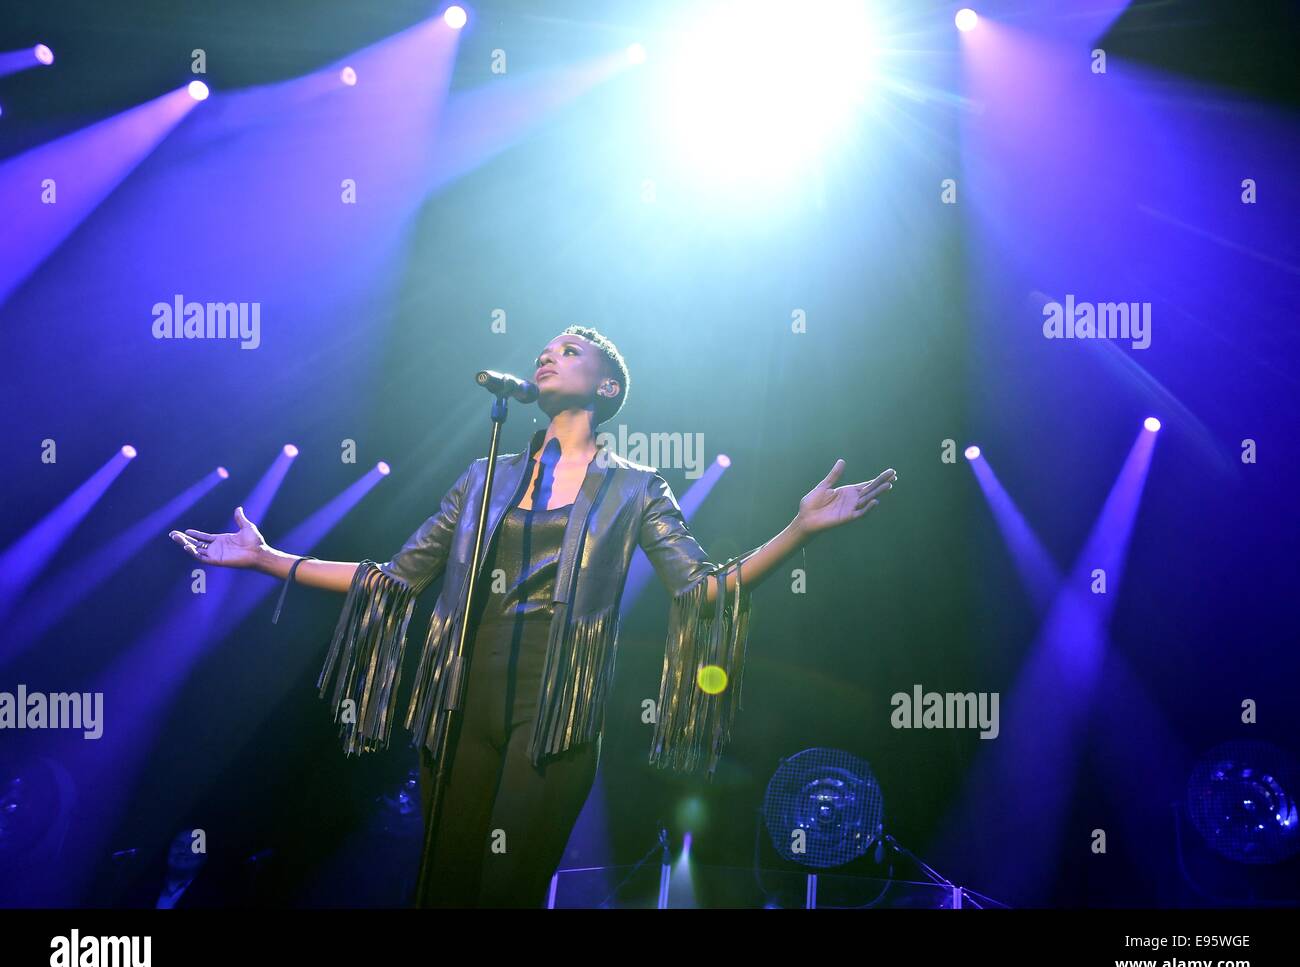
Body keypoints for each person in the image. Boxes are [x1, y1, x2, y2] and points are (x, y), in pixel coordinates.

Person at [169, 324, 898, 907]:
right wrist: (269, 559)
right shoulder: (486, 476)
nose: (548, 354)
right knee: (445, 883)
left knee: (507, 885)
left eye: (569, 350)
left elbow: (703, 589)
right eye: (544, 349)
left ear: (606, 386)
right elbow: (395, 577)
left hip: (555, 703)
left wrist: (798, 529)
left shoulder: (637, 486)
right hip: (460, 693)